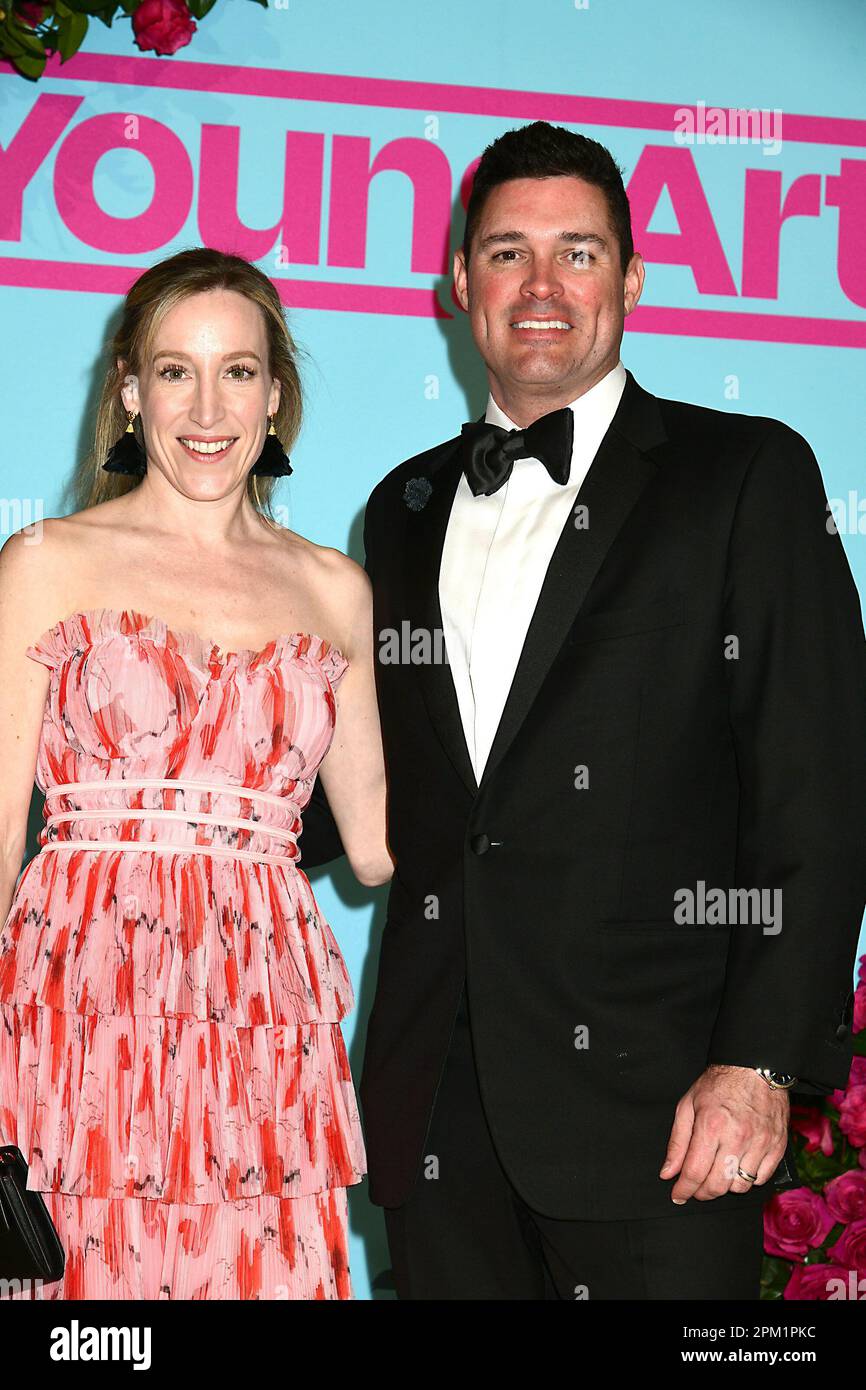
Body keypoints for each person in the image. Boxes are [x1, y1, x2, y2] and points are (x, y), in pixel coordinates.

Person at [300, 121, 866, 1299]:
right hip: (437, 1105)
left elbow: (815, 781)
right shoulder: (399, 507)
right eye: (507, 253)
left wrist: (757, 1060)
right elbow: (390, 776)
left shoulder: (746, 475)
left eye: (578, 252)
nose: (542, 286)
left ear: (631, 277)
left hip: (660, 1115)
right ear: (460, 283)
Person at [0, 247, 392, 1300]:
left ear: (275, 394)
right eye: (175, 371)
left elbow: (376, 841)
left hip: (262, 1017)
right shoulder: (44, 561)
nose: (206, 405)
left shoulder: (335, 587)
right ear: (130, 390)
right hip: (79, 1007)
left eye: (238, 371)